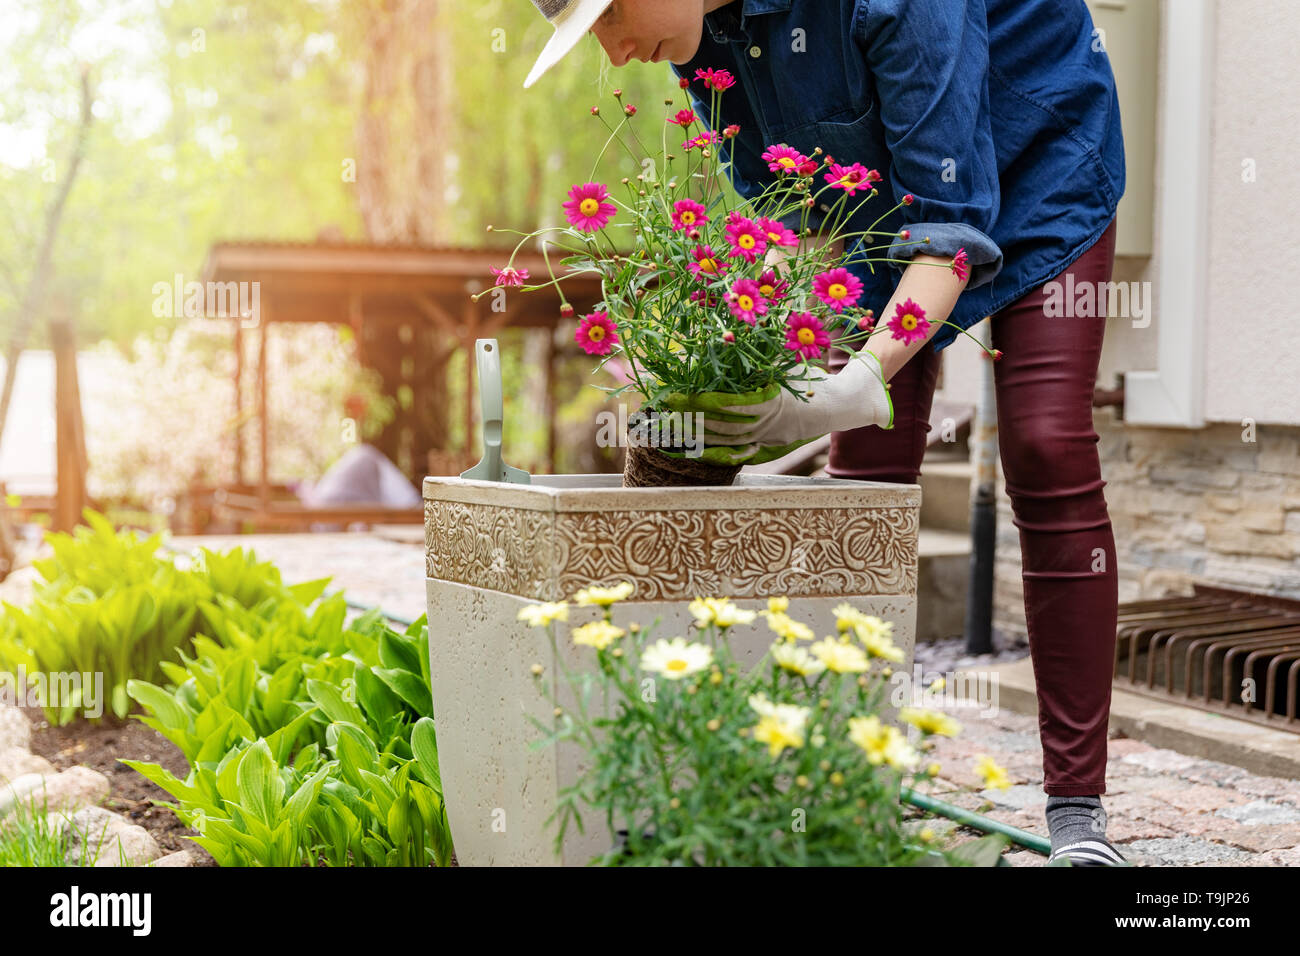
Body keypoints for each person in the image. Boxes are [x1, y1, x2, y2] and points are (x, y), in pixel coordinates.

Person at [523, 0, 1128, 867]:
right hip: (882, 204)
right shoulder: (698, 43)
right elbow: (796, 219)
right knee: (869, 466)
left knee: (1044, 442)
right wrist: (733, 349)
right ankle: (849, 774)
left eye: (610, 16)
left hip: (1042, 166)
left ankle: (1078, 813)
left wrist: (862, 376)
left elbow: (948, 231)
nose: (616, 54)